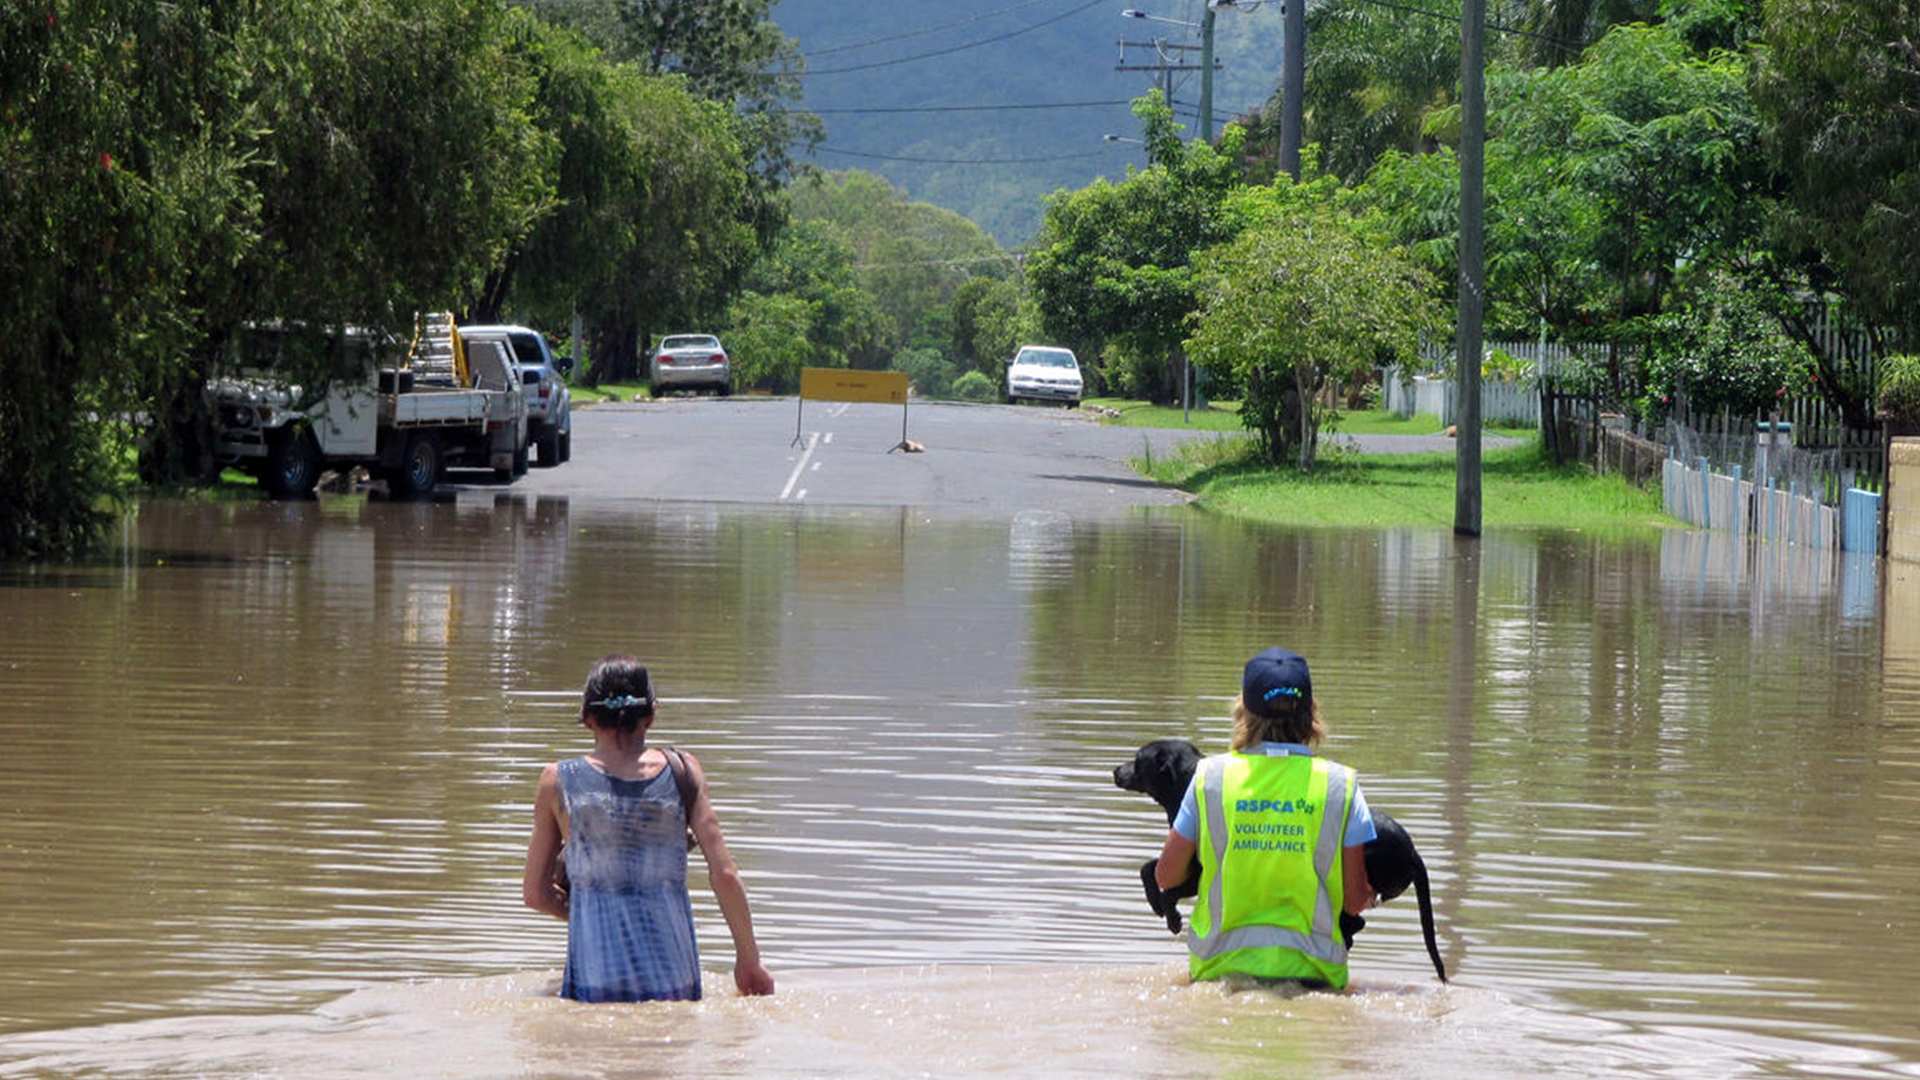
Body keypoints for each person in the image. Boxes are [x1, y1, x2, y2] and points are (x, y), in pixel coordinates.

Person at [522, 655, 775, 1001]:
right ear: (651, 715)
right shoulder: (684, 771)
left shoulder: (557, 781)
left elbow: (535, 893)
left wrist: (587, 910)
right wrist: (749, 960)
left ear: (586, 718)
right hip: (675, 976)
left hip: (597, 976)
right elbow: (725, 874)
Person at [1155, 647, 1377, 989]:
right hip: (1312, 977)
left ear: (1243, 711)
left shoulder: (1209, 778)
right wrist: (1374, 893)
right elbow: (1353, 900)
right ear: (1311, 714)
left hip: (1218, 971)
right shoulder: (1340, 786)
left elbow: (1166, 876)